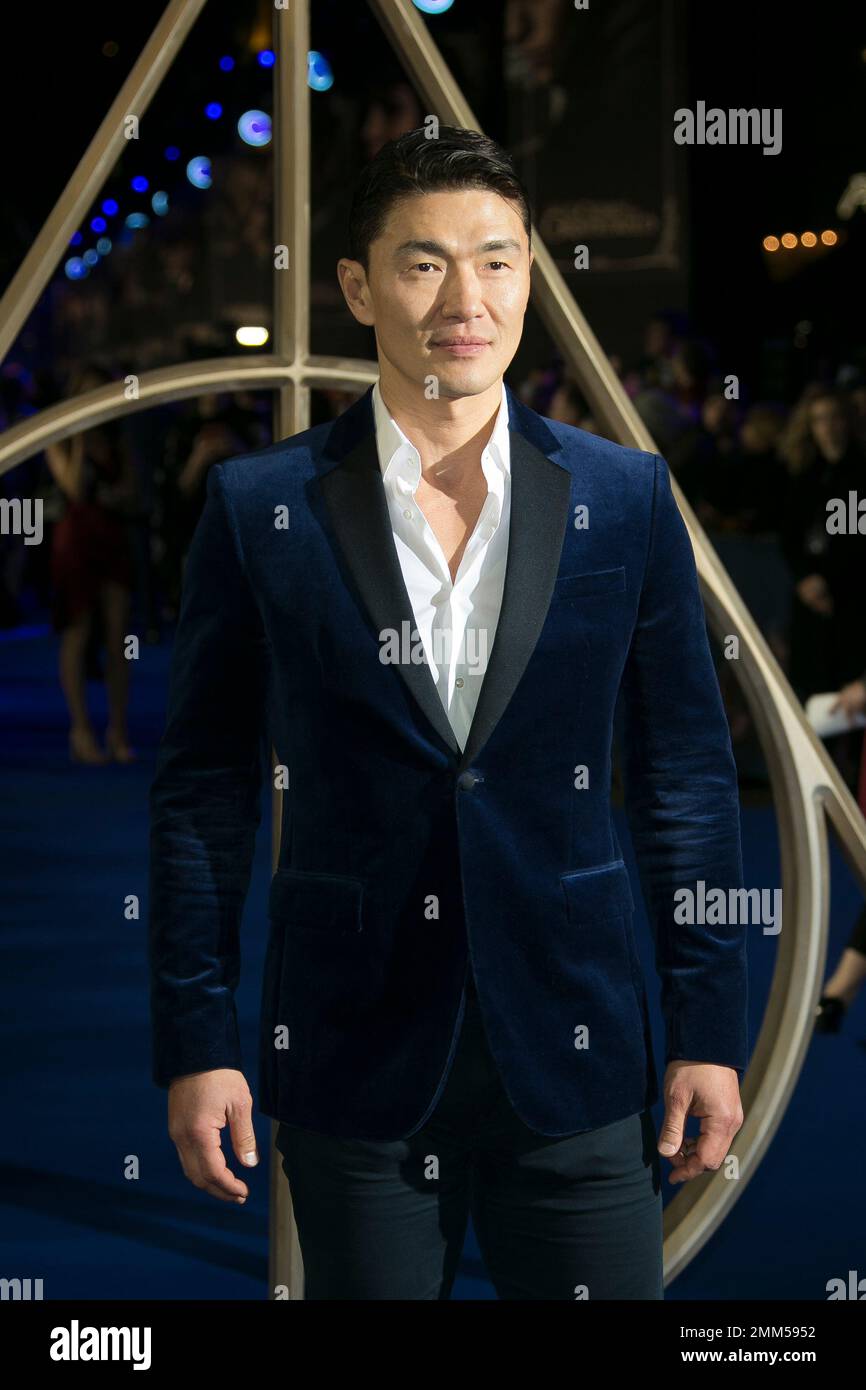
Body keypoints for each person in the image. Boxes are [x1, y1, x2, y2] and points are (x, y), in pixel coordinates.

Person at [149, 126, 748, 1300]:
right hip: (352, 1047)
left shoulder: (622, 499)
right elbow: (203, 794)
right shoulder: (259, 506)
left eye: (495, 259)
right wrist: (198, 1037)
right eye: (423, 263)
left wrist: (707, 1022)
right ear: (358, 287)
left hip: (577, 1045)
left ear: (528, 277)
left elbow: (683, 774)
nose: (463, 298)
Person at [46, 364, 139, 764]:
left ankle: (117, 729)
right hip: (76, 540)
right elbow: (72, 487)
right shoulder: (59, 439)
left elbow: (132, 491)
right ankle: (80, 729)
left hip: (112, 536)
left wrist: (119, 494)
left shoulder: (120, 439)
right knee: (77, 631)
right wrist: (81, 437)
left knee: (120, 637)